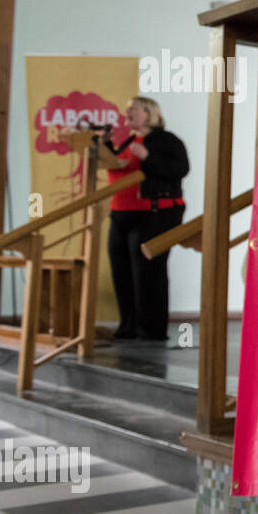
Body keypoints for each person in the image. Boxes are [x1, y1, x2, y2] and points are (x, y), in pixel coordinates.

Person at [102, 96, 190, 340]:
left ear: (149, 114)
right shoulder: (129, 140)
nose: (127, 112)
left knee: (148, 272)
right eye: (126, 108)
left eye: (133, 108)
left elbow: (180, 169)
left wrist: (147, 157)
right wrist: (105, 146)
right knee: (121, 271)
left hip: (154, 213)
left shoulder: (167, 140)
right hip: (120, 214)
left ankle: (151, 329)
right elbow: (117, 166)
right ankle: (128, 326)